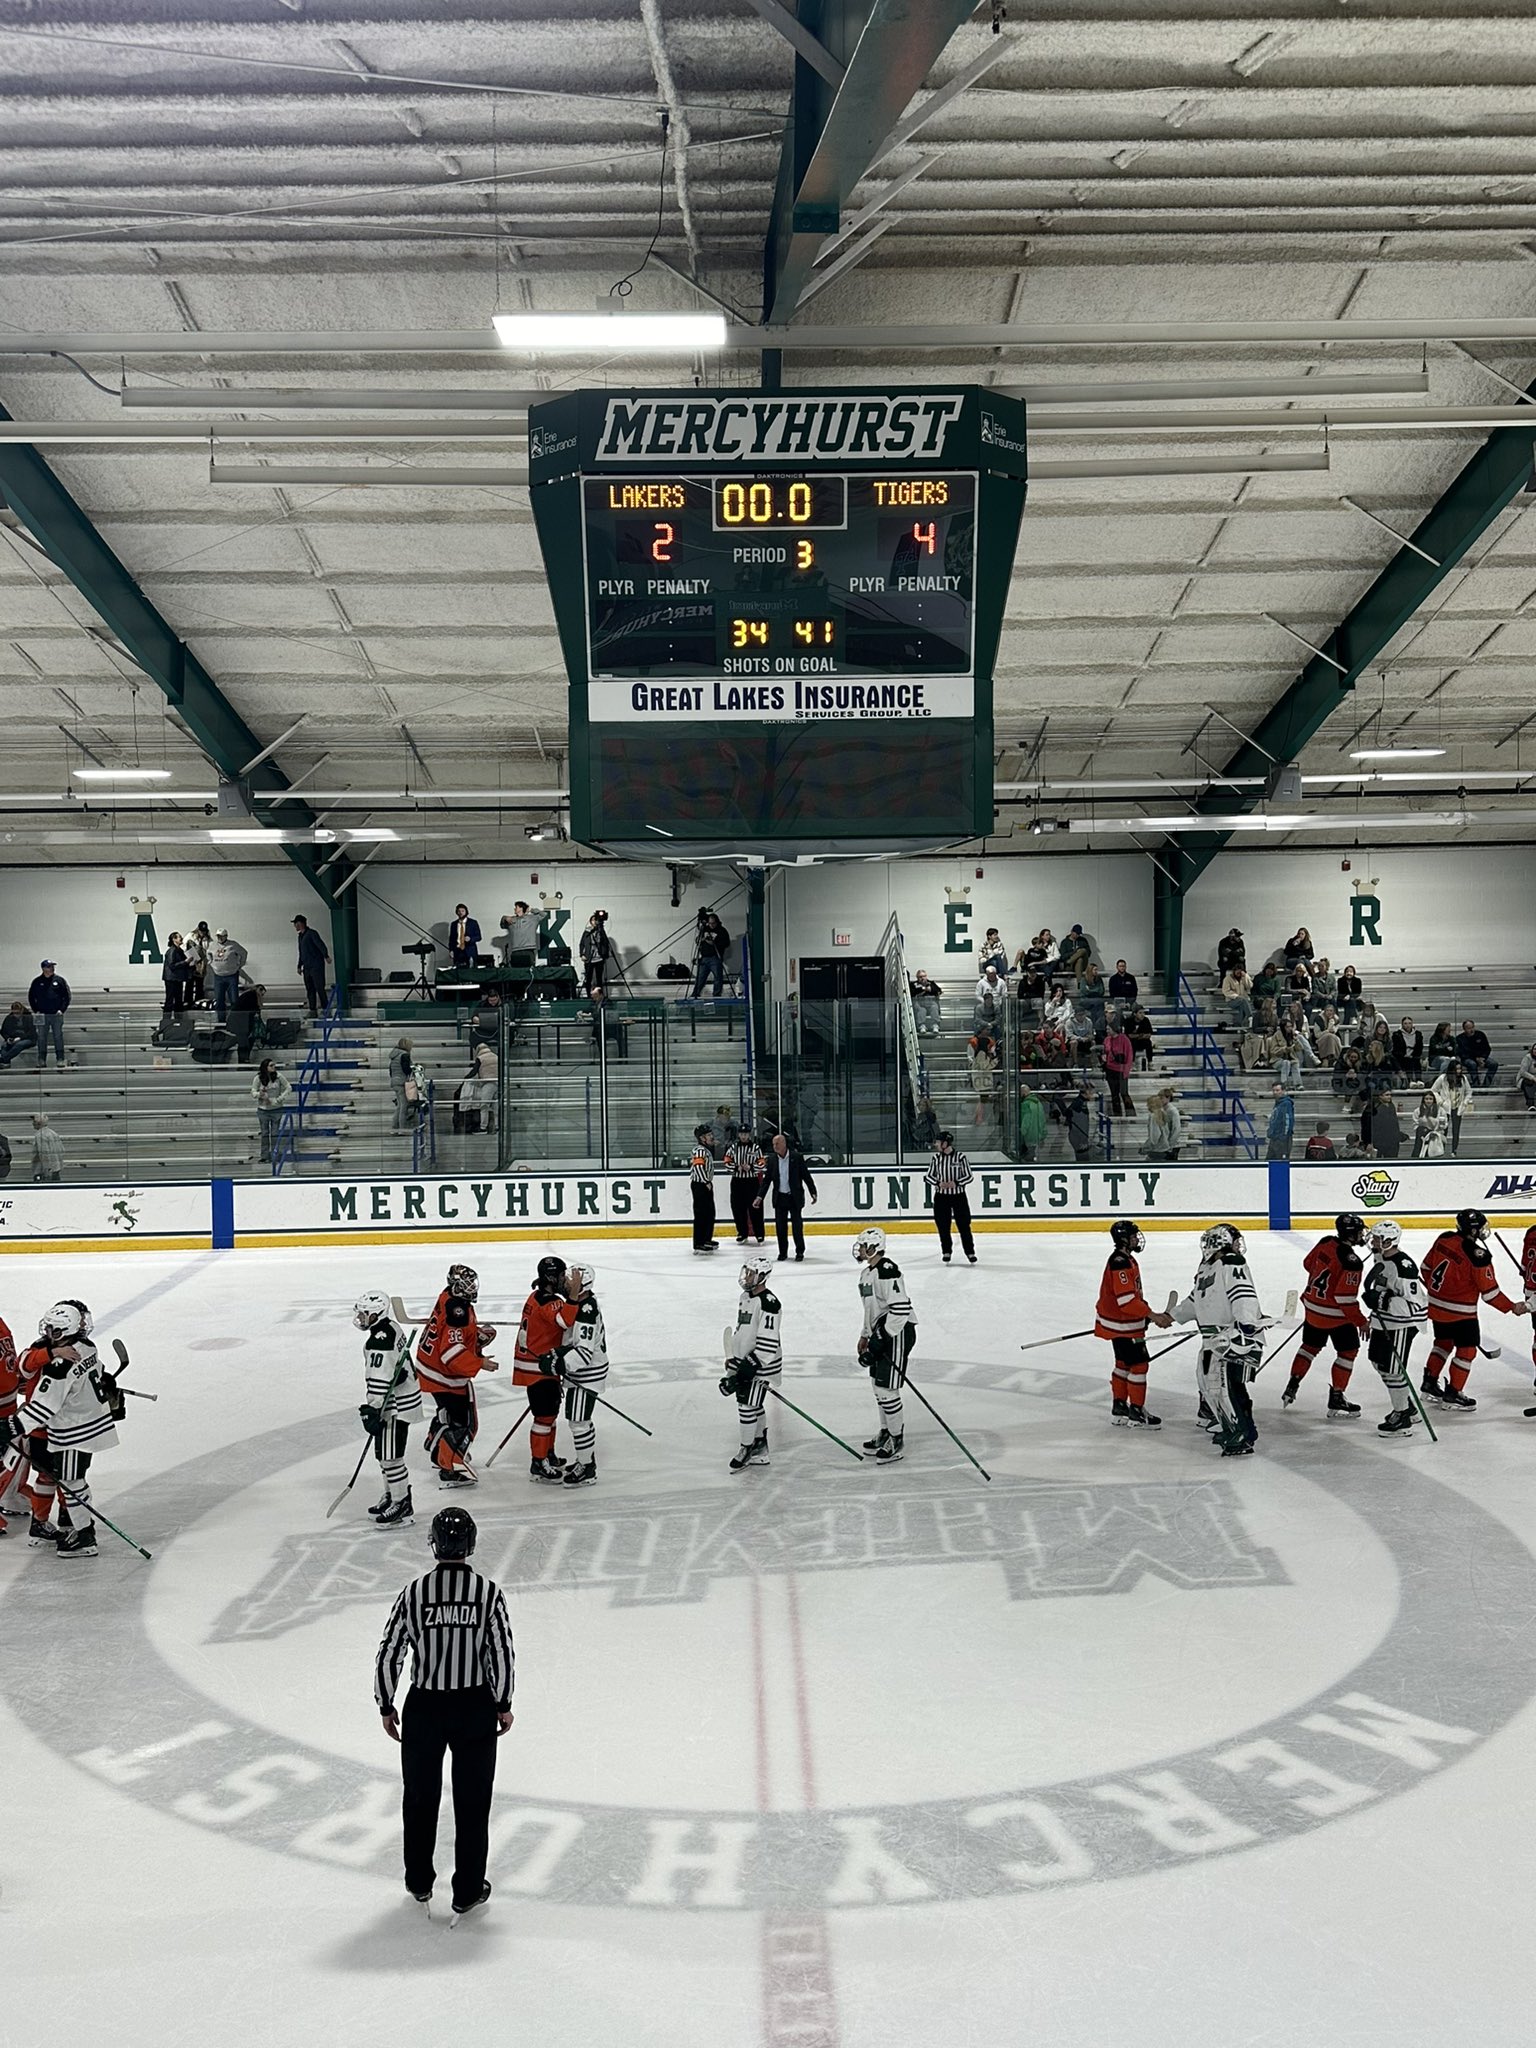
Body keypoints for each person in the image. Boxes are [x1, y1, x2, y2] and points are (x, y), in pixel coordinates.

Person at [375, 1505, 514, 1924]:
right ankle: (468, 1890)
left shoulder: (414, 1593)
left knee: (419, 1799)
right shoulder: (488, 1593)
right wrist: (504, 1703)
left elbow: (389, 1652)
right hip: (474, 1708)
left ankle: (419, 1880)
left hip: (424, 1709)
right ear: (471, 1545)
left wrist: (386, 1703)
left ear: (434, 1545)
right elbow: (501, 1654)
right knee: (473, 1803)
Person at [15, 1300, 125, 1556]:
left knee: (65, 1476)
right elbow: (24, 1366)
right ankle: (42, 1523)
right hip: (42, 1424)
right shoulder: (47, 1349)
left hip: (60, 1424)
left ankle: (73, 1523)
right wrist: (52, 1354)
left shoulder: (78, 1350)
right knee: (49, 1475)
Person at [1172, 1224, 1265, 1457]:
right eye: (1234, 1240)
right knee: (1213, 1387)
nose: (1237, 1245)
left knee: (1224, 1387)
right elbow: (1196, 1300)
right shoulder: (1207, 1268)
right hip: (1213, 1339)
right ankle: (1237, 1429)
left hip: (1232, 1336)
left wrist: (1246, 1324)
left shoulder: (1232, 1262)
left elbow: (1243, 1294)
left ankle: (1241, 1434)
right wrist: (1171, 1316)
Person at [1421, 1208, 1528, 1410]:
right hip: (1462, 1314)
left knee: (1442, 1343)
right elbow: (1490, 1294)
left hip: (1436, 1307)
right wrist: (1512, 1306)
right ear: (1473, 1230)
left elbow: (1426, 1268)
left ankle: (1429, 1383)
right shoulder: (1478, 1255)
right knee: (1467, 1351)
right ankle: (1453, 1394)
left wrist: (1438, 1292)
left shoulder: (1443, 1239)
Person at [415, 1264, 499, 1486]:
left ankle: (436, 1445)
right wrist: (479, 1362)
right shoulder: (458, 1311)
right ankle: (450, 1467)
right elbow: (450, 1353)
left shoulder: (448, 1296)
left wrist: (475, 1338)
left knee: (448, 1413)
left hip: (428, 1368)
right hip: (444, 1375)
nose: (472, 1289)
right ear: (457, 1286)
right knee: (465, 1424)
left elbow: (449, 1335)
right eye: (467, 1285)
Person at [1282, 1213, 1367, 1419]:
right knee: (1348, 1351)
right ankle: (1337, 1396)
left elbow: (1307, 1263)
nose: (1361, 1234)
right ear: (1351, 1234)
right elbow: (1344, 1298)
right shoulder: (1352, 1261)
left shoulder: (1326, 1242)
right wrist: (1361, 1321)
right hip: (1335, 1315)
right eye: (1358, 1231)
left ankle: (1293, 1384)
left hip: (1313, 1309)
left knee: (1309, 1348)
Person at [1097, 1219, 1174, 1428]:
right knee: (1139, 1365)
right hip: (1123, 1325)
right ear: (1124, 1239)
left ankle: (1119, 1407)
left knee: (1123, 1364)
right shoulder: (1120, 1262)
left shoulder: (1124, 1259)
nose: (1136, 1239)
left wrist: (1146, 1315)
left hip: (1119, 1324)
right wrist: (1152, 1315)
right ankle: (1137, 1413)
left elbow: (1132, 1297)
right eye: (1132, 1236)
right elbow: (1126, 1301)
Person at [354, 1290, 421, 1527]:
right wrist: (399, 1374)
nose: (361, 1318)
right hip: (402, 1400)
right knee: (384, 1455)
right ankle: (392, 1495)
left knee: (391, 1458)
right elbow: (398, 1365)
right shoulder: (392, 1327)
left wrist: (373, 1410)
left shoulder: (377, 1342)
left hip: (393, 1407)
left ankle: (402, 1503)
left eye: (365, 1314)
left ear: (377, 1313)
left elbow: (379, 1380)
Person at [512, 1255, 578, 1483]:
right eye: (561, 1276)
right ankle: (538, 1462)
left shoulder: (537, 1295)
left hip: (536, 1365)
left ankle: (547, 1455)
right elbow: (564, 1322)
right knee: (544, 1416)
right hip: (537, 1368)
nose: (564, 1280)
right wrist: (575, 1297)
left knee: (549, 1414)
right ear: (551, 1277)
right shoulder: (550, 1301)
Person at [854, 1225, 916, 1465]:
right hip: (881, 1333)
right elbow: (871, 1309)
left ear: (873, 1247)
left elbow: (900, 1310)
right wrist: (865, 1334)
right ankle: (885, 1431)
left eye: (862, 1245)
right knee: (877, 1385)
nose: (859, 1249)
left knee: (887, 1389)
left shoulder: (888, 1270)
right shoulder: (867, 1273)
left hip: (898, 1333)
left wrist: (882, 1338)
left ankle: (896, 1438)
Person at [1362, 1220, 1428, 1438]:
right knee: (1378, 1362)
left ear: (1389, 1241)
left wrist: (1381, 1299)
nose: (1373, 1241)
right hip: (1384, 1322)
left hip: (1402, 1325)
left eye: (1377, 1238)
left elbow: (1414, 1306)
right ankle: (1406, 1405)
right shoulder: (1381, 1256)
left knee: (1392, 1370)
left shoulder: (1404, 1267)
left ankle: (1402, 1419)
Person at [719, 1252, 783, 1472]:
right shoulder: (745, 1298)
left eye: (751, 1274)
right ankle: (760, 1446)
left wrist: (746, 1369)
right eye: (746, 1272)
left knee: (746, 1406)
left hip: (761, 1365)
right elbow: (742, 1331)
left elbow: (767, 1343)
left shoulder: (769, 1304)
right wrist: (735, 1360)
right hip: (746, 1361)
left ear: (762, 1276)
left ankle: (747, 1448)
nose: (746, 1277)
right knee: (753, 1405)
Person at [558, 1263, 608, 1487]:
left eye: (569, 1282)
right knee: (580, 1420)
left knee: (578, 1421)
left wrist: (559, 1364)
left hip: (585, 1374)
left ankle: (586, 1469)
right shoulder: (583, 1302)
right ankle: (585, 1460)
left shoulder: (586, 1311)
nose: (565, 1284)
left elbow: (584, 1353)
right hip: (584, 1372)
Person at [924, 1130, 976, 1265]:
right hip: (941, 1197)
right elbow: (929, 1176)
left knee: (964, 1225)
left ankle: (970, 1251)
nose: (936, 1144)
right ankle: (946, 1251)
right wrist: (938, 1183)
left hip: (958, 1196)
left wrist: (956, 1183)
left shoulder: (960, 1157)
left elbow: (969, 1175)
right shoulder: (936, 1158)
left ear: (945, 1143)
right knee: (943, 1225)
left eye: (938, 1142)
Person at [767, 1131, 817, 1263]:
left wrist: (813, 1191)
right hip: (780, 1198)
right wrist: (759, 1197)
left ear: (784, 1143)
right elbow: (767, 1180)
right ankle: (782, 1252)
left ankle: (799, 1251)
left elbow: (806, 1175)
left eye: (777, 1143)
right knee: (780, 1227)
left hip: (794, 1197)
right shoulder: (772, 1160)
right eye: (773, 1144)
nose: (775, 1146)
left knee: (797, 1227)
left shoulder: (796, 1157)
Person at [725, 1125, 766, 1245]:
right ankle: (742, 1233)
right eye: (742, 1134)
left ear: (749, 1134)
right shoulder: (733, 1147)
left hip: (751, 1182)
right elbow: (727, 1161)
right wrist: (736, 1167)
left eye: (746, 1134)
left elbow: (762, 1162)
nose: (744, 1136)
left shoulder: (755, 1147)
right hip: (737, 1181)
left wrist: (752, 1167)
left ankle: (759, 1234)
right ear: (738, 1135)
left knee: (755, 1208)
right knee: (738, 1208)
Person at [28, 959, 70, 1069]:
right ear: (43, 968)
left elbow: (66, 996)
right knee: (41, 1037)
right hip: (42, 1015)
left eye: (52, 966)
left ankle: (60, 1058)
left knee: (58, 1036)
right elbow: (31, 997)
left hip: (56, 1014)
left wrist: (62, 1009)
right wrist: (35, 1010)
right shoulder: (37, 982)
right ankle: (41, 1059)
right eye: (49, 966)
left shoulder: (59, 980)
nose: (51, 968)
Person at [251, 1058, 291, 1165]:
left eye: (274, 1065)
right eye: (271, 1065)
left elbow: (288, 1087)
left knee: (275, 1133)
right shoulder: (258, 1078)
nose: (274, 1067)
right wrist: (260, 1094)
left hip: (276, 1109)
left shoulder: (278, 1076)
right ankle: (264, 1156)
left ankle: (274, 1154)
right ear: (266, 1067)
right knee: (264, 1133)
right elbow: (253, 1092)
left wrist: (280, 1099)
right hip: (263, 1110)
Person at [1431, 1058, 1473, 1155]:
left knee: (1456, 1131)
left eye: (1460, 1069)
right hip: (1445, 1108)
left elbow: (1468, 1091)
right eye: (1457, 1069)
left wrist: (1465, 1102)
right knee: (1443, 1130)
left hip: (1457, 1108)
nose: (1459, 1071)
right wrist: (1441, 1102)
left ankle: (1454, 1150)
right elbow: (1433, 1090)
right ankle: (1441, 1150)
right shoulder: (1443, 1078)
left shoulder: (1463, 1079)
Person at [688, 1123, 719, 1254]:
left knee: (710, 1213)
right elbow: (698, 1167)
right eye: (708, 1135)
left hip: (704, 1184)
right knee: (701, 1214)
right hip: (700, 1185)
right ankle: (699, 1242)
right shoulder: (699, 1150)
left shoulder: (705, 1150)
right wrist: (706, 1181)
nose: (711, 1137)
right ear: (702, 1138)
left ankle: (706, 1239)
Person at [293, 914, 330, 1016]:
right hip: (307, 967)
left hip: (316, 966)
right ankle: (312, 1009)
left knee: (319, 987)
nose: (295, 927)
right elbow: (301, 952)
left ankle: (325, 1008)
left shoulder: (312, 934)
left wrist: (326, 955)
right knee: (310, 988)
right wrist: (299, 965)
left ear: (300, 924)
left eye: (295, 924)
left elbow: (320, 944)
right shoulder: (300, 937)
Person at [209, 930, 249, 1022]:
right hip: (218, 976)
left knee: (234, 1000)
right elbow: (208, 954)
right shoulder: (212, 945)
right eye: (218, 936)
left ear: (226, 936)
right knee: (219, 1000)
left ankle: (235, 1020)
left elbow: (244, 953)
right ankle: (221, 1020)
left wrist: (240, 965)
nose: (219, 938)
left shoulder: (233, 945)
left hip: (231, 975)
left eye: (222, 936)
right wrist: (211, 963)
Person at [692, 909, 731, 999]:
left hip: (715, 957)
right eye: (710, 923)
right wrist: (701, 940)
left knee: (717, 978)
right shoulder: (705, 929)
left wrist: (714, 943)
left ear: (717, 922)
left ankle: (716, 995)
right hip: (704, 957)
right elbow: (697, 940)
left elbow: (726, 943)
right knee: (700, 978)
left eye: (713, 923)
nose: (711, 925)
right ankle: (695, 994)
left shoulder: (722, 931)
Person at [1102, 1018, 1135, 1118]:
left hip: (1121, 1070)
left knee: (1124, 1093)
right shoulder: (1107, 1040)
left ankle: (1130, 1113)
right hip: (1110, 1069)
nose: (1107, 1031)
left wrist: (1126, 1071)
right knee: (1114, 1094)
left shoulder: (1124, 1039)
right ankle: (1117, 1114)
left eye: (1108, 1029)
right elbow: (1105, 1051)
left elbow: (1129, 1056)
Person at [969, 1030, 999, 1127]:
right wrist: (994, 1062)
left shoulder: (982, 1053)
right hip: (982, 1082)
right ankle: (978, 1119)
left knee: (983, 1100)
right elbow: (984, 1067)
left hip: (982, 1081)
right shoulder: (981, 1053)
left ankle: (978, 1118)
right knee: (983, 1101)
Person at [389, 1037, 419, 1133]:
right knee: (404, 1106)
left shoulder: (394, 1056)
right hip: (402, 1083)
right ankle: (402, 1128)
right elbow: (407, 1070)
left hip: (394, 1082)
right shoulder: (404, 1055)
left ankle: (394, 1127)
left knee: (399, 1106)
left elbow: (390, 1070)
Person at [498, 900, 540, 969]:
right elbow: (502, 925)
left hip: (528, 949)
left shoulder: (532, 919)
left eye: (516, 907)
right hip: (515, 950)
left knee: (529, 971)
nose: (514, 909)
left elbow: (543, 914)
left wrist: (531, 910)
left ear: (521, 908)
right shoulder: (511, 919)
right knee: (515, 971)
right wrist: (505, 918)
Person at [1454, 1019, 1496, 1087]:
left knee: (1494, 1064)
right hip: (1467, 1058)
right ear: (1464, 1029)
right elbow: (1462, 1053)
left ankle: (1486, 1085)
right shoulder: (1460, 1038)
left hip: (1481, 1057)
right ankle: (1476, 1084)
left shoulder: (1480, 1034)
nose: (1471, 1030)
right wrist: (1476, 1059)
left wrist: (1483, 1058)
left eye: (1472, 1027)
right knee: (1472, 1064)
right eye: (1469, 1028)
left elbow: (1487, 1048)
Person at [580, 910, 613, 997]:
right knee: (588, 979)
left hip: (599, 958)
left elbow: (605, 943)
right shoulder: (587, 932)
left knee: (599, 978)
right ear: (590, 922)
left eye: (596, 920)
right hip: (589, 958)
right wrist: (582, 954)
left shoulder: (601, 931)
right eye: (593, 920)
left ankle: (599, 995)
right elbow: (582, 944)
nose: (595, 921)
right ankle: (588, 995)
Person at [1144, 1086, 1182, 1161]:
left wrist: (1170, 1145)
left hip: (1171, 1146)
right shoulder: (1161, 1111)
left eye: (1161, 1098)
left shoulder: (1172, 1111)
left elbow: (1176, 1129)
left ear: (1168, 1098)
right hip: (1165, 1145)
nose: (1160, 1100)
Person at [1363, 1087, 1401, 1159]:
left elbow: (1395, 1123)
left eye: (1390, 1095)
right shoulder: (1372, 1107)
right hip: (1378, 1140)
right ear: (1380, 1096)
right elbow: (1367, 1125)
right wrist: (1368, 1142)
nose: (1389, 1097)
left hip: (1392, 1141)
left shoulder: (1391, 1106)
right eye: (1386, 1095)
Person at [1066, 1080, 1099, 1161]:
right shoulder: (1080, 1107)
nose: (1092, 1094)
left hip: (1077, 1138)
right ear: (1086, 1092)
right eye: (1091, 1092)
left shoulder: (1077, 1103)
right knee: (1083, 1162)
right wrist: (1084, 1142)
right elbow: (1080, 1126)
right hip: (1080, 1140)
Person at [1411, 1089, 1447, 1159]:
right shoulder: (1418, 1111)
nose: (1428, 1101)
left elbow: (1444, 1123)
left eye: (1430, 1099)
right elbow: (1415, 1124)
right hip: (1422, 1137)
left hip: (1436, 1136)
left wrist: (1436, 1131)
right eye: (1426, 1099)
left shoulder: (1441, 1110)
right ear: (1423, 1100)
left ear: (1434, 1100)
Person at [161, 931, 190, 1016]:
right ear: (174, 939)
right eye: (179, 937)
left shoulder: (179, 950)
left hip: (176, 978)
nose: (181, 938)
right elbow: (172, 965)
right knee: (170, 1000)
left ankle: (178, 1019)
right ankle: (167, 1019)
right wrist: (185, 962)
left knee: (178, 1000)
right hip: (172, 979)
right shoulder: (172, 951)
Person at [0, 1000, 37, 1068]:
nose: (16, 1015)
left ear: (21, 1010)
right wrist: (8, 1038)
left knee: (19, 1044)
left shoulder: (28, 1017)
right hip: (13, 1037)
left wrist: (20, 1038)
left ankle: (3, 1059)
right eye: (14, 1013)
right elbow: (3, 1031)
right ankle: (6, 1062)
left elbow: (31, 1032)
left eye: (18, 1013)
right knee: (4, 1046)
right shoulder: (9, 1018)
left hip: (27, 1038)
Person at [972, 964, 1006, 1035]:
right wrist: (986, 1002)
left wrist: (999, 1002)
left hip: (997, 1005)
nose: (991, 976)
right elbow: (977, 995)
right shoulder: (981, 983)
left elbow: (1004, 994)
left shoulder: (1001, 982)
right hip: (984, 1006)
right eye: (989, 974)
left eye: (992, 974)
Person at [1265, 1082, 1295, 1161]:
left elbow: (1288, 1120)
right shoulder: (1278, 1104)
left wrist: (1283, 1137)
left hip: (1282, 1140)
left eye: (1277, 1090)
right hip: (1274, 1138)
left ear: (1283, 1091)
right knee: (1269, 1161)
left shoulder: (1286, 1104)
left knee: (1280, 1163)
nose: (1275, 1092)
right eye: (1274, 1090)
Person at [186, 921, 213, 1006]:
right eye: (201, 931)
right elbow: (184, 946)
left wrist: (207, 962)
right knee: (189, 984)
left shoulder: (207, 939)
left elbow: (208, 951)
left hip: (201, 963)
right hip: (191, 962)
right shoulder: (191, 935)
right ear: (198, 929)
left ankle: (199, 1001)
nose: (202, 933)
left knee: (199, 984)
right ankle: (188, 1002)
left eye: (204, 931)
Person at [1018, 1082, 1046, 1162]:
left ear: (1023, 1093)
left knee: (1027, 1158)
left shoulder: (1025, 1105)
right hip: (1037, 1134)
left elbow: (1025, 1121)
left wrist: (1021, 1133)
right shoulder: (1038, 1103)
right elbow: (1043, 1119)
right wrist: (1043, 1134)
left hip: (1029, 1135)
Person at [30, 1113, 62, 1182]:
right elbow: (61, 1150)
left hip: (44, 1171)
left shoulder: (40, 1135)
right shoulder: (53, 1133)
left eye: (34, 1121)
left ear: (38, 1123)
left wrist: (46, 1170)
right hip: (55, 1169)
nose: (32, 1123)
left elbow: (44, 1154)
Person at [448, 904, 481, 970]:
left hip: (470, 951)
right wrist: (451, 950)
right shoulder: (454, 924)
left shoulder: (473, 923)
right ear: (457, 912)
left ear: (466, 912)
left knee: (472, 971)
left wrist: (470, 939)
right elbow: (451, 939)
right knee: (459, 972)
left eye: (462, 911)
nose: (461, 913)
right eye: (459, 911)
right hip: (458, 951)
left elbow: (479, 937)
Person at [1391, 1018, 1424, 1085]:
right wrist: (1404, 1055)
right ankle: (1410, 1080)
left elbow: (1419, 1047)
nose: (1407, 1025)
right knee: (1409, 1061)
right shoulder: (1397, 1034)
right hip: (1402, 1057)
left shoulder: (1418, 1034)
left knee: (1416, 1060)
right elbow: (1396, 1049)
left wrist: (1413, 1055)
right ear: (1402, 1025)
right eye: (1405, 1023)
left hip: (1414, 1056)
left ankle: (1419, 1079)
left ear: (1412, 1024)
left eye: (1409, 1023)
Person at [910, 970, 942, 1036]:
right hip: (920, 1004)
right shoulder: (913, 984)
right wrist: (923, 989)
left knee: (934, 1007)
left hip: (931, 1003)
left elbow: (939, 990)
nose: (922, 978)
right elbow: (912, 992)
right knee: (921, 1010)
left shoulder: (931, 983)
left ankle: (935, 1025)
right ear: (917, 977)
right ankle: (922, 1026)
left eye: (924, 976)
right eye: (920, 977)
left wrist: (930, 989)